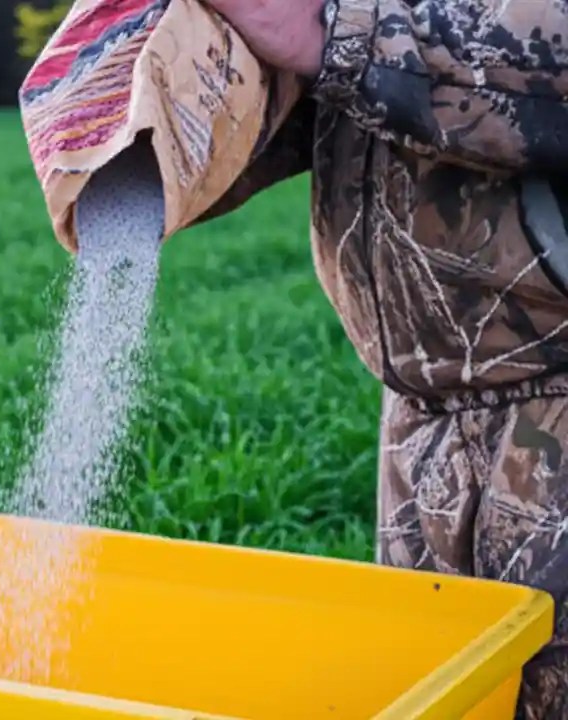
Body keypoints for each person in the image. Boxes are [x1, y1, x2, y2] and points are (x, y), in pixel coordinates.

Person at [182, 0, 568, 716]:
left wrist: (336, 29)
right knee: (432, 691)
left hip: (557, 414)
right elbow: (312, 101)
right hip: (421, 423)